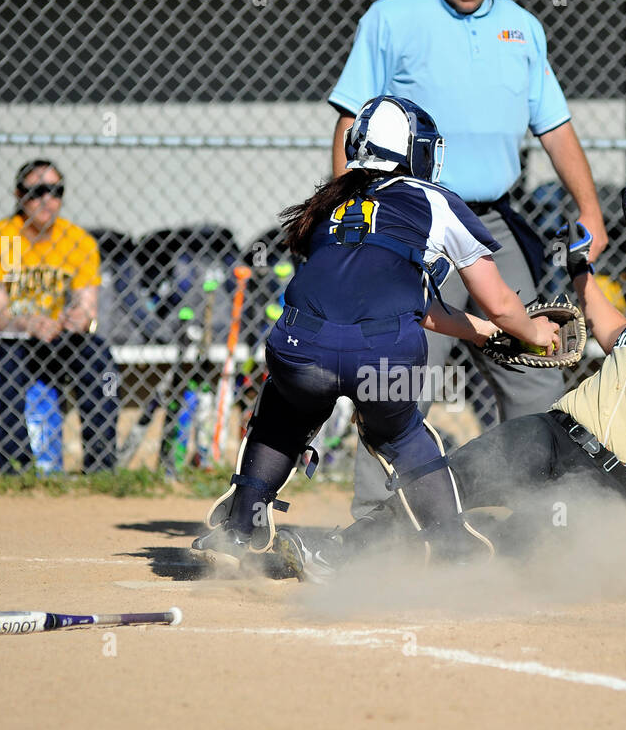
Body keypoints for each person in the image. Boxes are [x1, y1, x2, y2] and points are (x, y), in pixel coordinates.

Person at [276, 155, 626, 581]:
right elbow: (616, 332)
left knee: (514, 544)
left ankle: (414, 580)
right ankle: (343, 555)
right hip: (555, 431)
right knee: (447, 481)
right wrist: (581, 274)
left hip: (610, 479)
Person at [190, 96, 558, 569]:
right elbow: (503, 303)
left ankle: (239, 532)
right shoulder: (434, 201)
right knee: (404, 437)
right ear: (414, 153)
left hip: (302, 352)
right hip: (380, 356)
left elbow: (407, 306)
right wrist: (532, 332)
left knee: (281, 419)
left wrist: (483, 332)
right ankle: (452, 547)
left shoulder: (328, 202)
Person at [328, 0, 608, 521]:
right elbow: (349, 122)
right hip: (411, 220)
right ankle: (374, 529)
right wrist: (346, 214)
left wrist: (590, 211)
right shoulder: (393, 17)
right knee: (400, 375)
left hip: (492, 222)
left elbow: (554, 126)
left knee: (534, 370)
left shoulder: (524, 27)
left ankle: (540, 518)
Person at [0, 159, 119, 474]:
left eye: (56, 191)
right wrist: (28, 322)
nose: (47, 200)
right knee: (5, 367)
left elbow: (88, 307)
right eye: (37, 191)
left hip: (52, 338)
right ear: (18, 195)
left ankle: (101, 468)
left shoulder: (78, 241)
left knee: (100, 362)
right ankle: (13, 471)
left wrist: (76, 318)